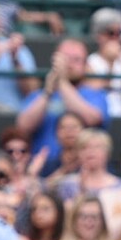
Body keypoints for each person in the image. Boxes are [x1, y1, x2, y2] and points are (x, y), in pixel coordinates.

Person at [15, 39, 110, 167]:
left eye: (76, 60)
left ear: (86, 65)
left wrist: (62, 81)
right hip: (43, 167)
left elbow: (93, 119)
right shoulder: (39, 95)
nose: (69, 65)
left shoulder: (95, 94)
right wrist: (48, 92)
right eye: (65, 59)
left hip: (83, 168)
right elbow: (23, 126)